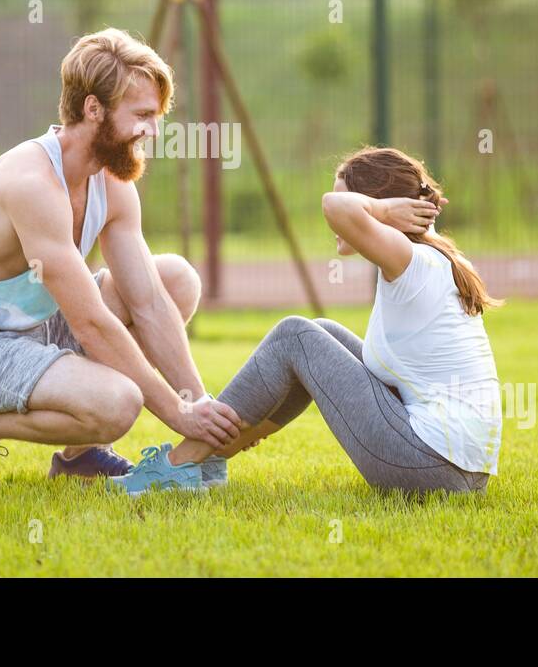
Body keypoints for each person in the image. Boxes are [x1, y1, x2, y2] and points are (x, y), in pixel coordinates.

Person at [0, 28, 242, 488]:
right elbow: (90, 322)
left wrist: (196, 400)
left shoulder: (111, 181)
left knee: (176, 280)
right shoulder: (31, 183)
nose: (153, 130)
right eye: (143, 115)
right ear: (94, 109)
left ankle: (79, 458)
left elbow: (147, 300)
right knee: (118, 404)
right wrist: (176, 415)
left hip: (36, 327)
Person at [107, 146, 502, 497]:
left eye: (357, 200)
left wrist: (380, 211)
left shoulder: (409, 257)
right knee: (320, 333)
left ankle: (178, 465)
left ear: (380, 207)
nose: (335, 225)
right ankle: (215, 453)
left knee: (294, 335)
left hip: (429, 465)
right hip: (455, 470)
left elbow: (333, 206)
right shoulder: (423, 259)